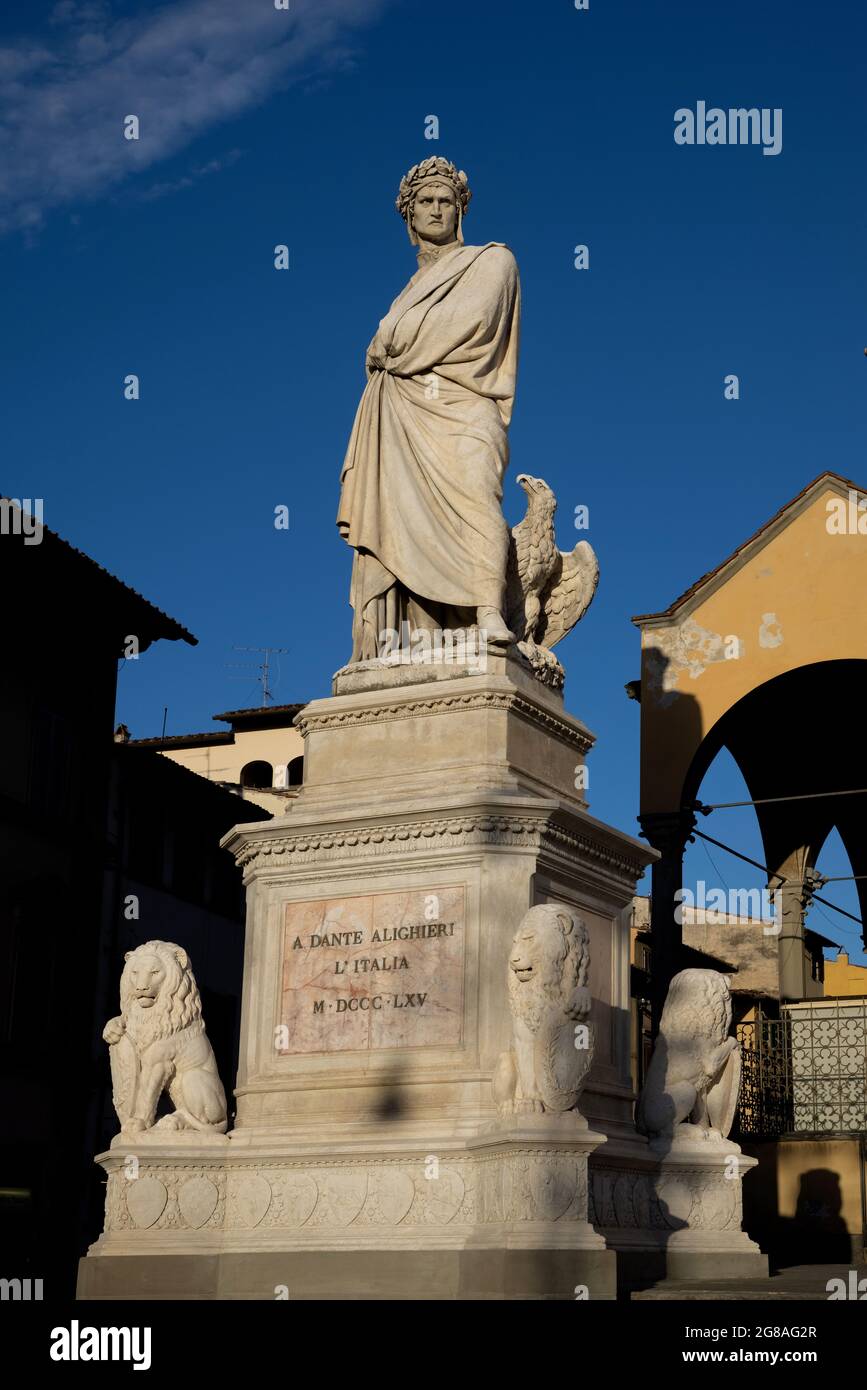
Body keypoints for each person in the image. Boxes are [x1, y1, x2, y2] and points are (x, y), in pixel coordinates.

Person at [337, 157, 521, 662]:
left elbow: (471, 322)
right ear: (409, 215)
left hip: (464, 403)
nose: (436, 209)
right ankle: (414, 636)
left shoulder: (491, 261)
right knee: (398, 516)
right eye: (425, 202)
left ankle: (488, 609)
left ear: (460, 209)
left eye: (446, 201)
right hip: (402, 413)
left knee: (478, 494)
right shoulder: (405, 292)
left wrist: (390, 350)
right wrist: (388, 352)